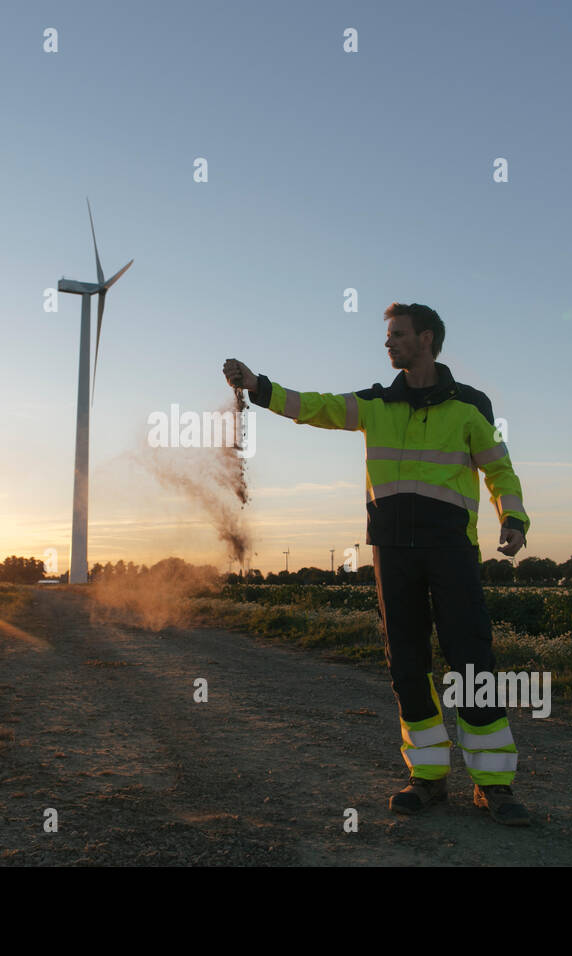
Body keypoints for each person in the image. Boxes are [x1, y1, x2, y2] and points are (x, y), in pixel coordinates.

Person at [222, 302, 532, 826]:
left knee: (472, 662)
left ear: (426, 339)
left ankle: (494, 785)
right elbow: (314, 406)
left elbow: (499, 469)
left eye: (398, 335)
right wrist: (260, 386)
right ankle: (428, 777)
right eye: (387, 336)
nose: (388, 343)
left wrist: (514, 518)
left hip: (451, 551)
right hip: (391, 552)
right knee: (407, 664)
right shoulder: (375, 403)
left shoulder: (469, 406)